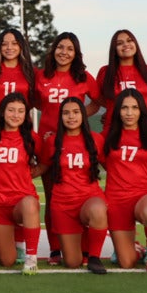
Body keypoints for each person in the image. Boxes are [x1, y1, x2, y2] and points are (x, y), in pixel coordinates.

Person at [36, 32, 100, 266]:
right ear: (53, 50)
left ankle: (85, 247)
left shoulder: (83, 77)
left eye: (70, 49)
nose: (64, 52)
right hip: (49, 141)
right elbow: (34, 101)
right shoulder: (41, 76)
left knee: (82, 192)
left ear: (76, 53)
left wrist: (79, 118)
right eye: (60, 47)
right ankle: (55, 248)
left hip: (76, 142)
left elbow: (98, 102)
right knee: (52, 196)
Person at [0, 28, 38, 264]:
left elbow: (37, 101)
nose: (9, 47)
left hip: (20, 134)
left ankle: (22, 245)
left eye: (14, 43)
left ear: (21, 46)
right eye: (4, 43)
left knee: (21, 187)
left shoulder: (29, 72)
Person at [41, 97, 108, 274]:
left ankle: (94, 257)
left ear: (83, 115)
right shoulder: (52, 141)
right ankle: (82, 248)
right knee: (72, 262)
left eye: (76, 112)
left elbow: (110, 165)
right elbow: (42, 167)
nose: (71, 117)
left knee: (98, 209)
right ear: (61, 117)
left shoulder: (96, 139)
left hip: (89, 198)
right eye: (66, 113)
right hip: (63, 204)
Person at [103, 89, 147, 273]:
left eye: (134, 108)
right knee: (126, 262)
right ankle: (138, 249)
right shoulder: (107, 135)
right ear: (118, 111)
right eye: (124, 108)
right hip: (116, 199)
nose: (129, 113)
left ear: (141, 110)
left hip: (143, 194)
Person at [0, 92, 43, 274]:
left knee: (29, 203)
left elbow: (46, 162)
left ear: (26, 115)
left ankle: (31, 258)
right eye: (11, 110)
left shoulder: (31, 138)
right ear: (2, 112)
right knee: (7, 261)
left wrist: (30, 173)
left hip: (21, 202)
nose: (15, 115)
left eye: (20, 111)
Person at [96, 29, 147, 136]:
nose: (125, 45)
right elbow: (96, 99)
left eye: (129, 40)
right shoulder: (105, 72)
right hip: (114, 131)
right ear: (114, 49)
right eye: (119, 43)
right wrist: (111, 108)